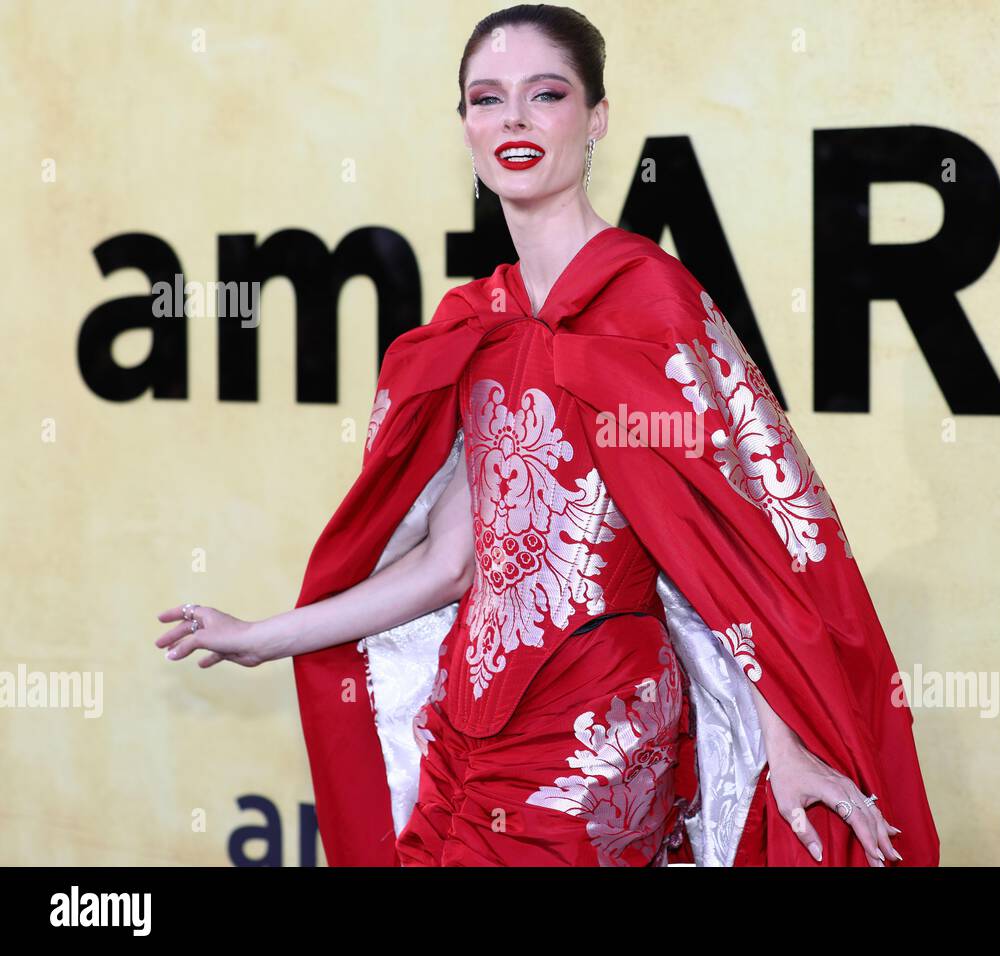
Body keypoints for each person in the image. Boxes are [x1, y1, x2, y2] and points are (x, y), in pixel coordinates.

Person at [156, 3, 940, 868]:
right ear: (464, 126)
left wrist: (785, 741)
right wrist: (257, 637)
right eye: (487, 99)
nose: (515, 119)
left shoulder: (648, 300)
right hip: (463, 734)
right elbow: (450, 566)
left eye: (546, 94)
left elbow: (729, 554)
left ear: (597, 116)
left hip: (595, 735)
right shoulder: (476, 324)